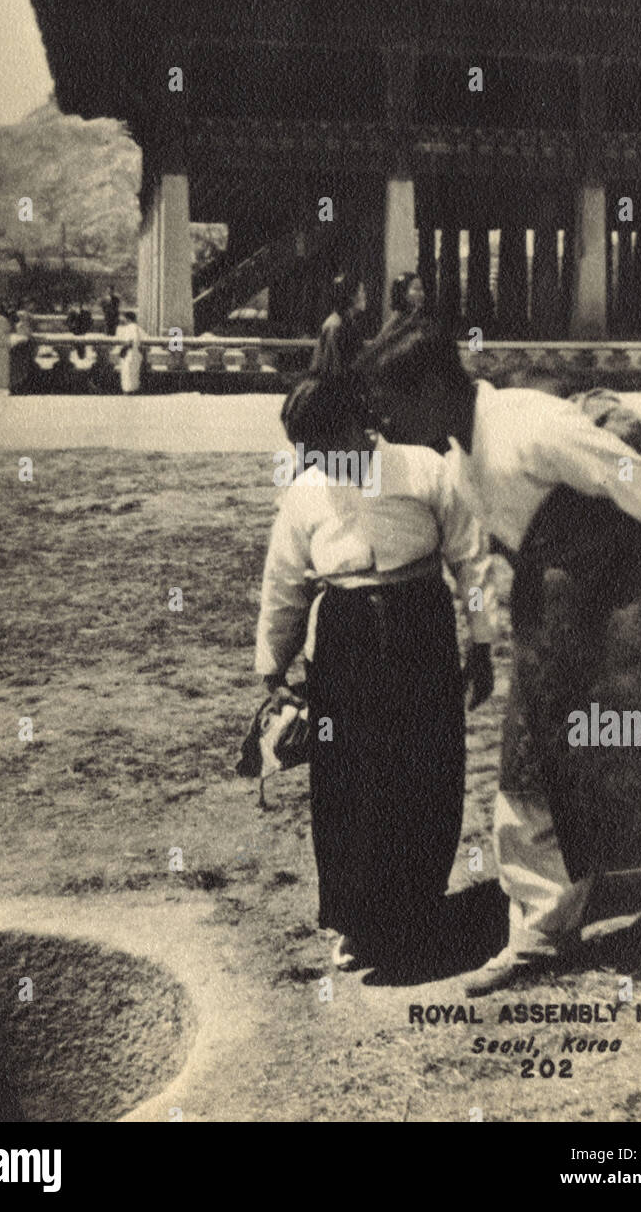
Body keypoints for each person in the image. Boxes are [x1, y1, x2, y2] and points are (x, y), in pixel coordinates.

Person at [362, 319, 641, 993]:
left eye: (389, 402)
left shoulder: (526, 422)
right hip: (551, 624)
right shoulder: (455, 455)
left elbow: (627, 471)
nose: (382, 419)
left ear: (427, 388)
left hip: (622, 613)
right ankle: (539, 932)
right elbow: (481, 553)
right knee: (531, 773)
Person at [255, 374, 496, 971]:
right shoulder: (306, 492)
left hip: (422, 630)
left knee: (426, 769)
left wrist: (482, 641)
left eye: (321, 443)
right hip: (345, 642)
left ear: (356, 424)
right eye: (303, 450)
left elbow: (470, 556)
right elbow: (283, 581)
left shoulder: (423, 468)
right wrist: (272, 665)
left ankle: (417, 907)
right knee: (349, 778)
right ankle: (357, 919)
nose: (313, 459)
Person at [309, 273, 368, 376]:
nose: (364, 295)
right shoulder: (335, 325)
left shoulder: (346, 322)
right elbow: (332, 367)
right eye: (361, 291)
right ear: (351, 297)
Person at [115, 310, 144, 394]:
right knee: (131, 373)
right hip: (134, 353)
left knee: (128, 372)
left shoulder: (132, 327)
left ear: (128, 318)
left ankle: (129, 391)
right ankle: (131, 390)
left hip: (130, 353)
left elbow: (131, 340)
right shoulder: (134, 327)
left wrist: (123, 350)